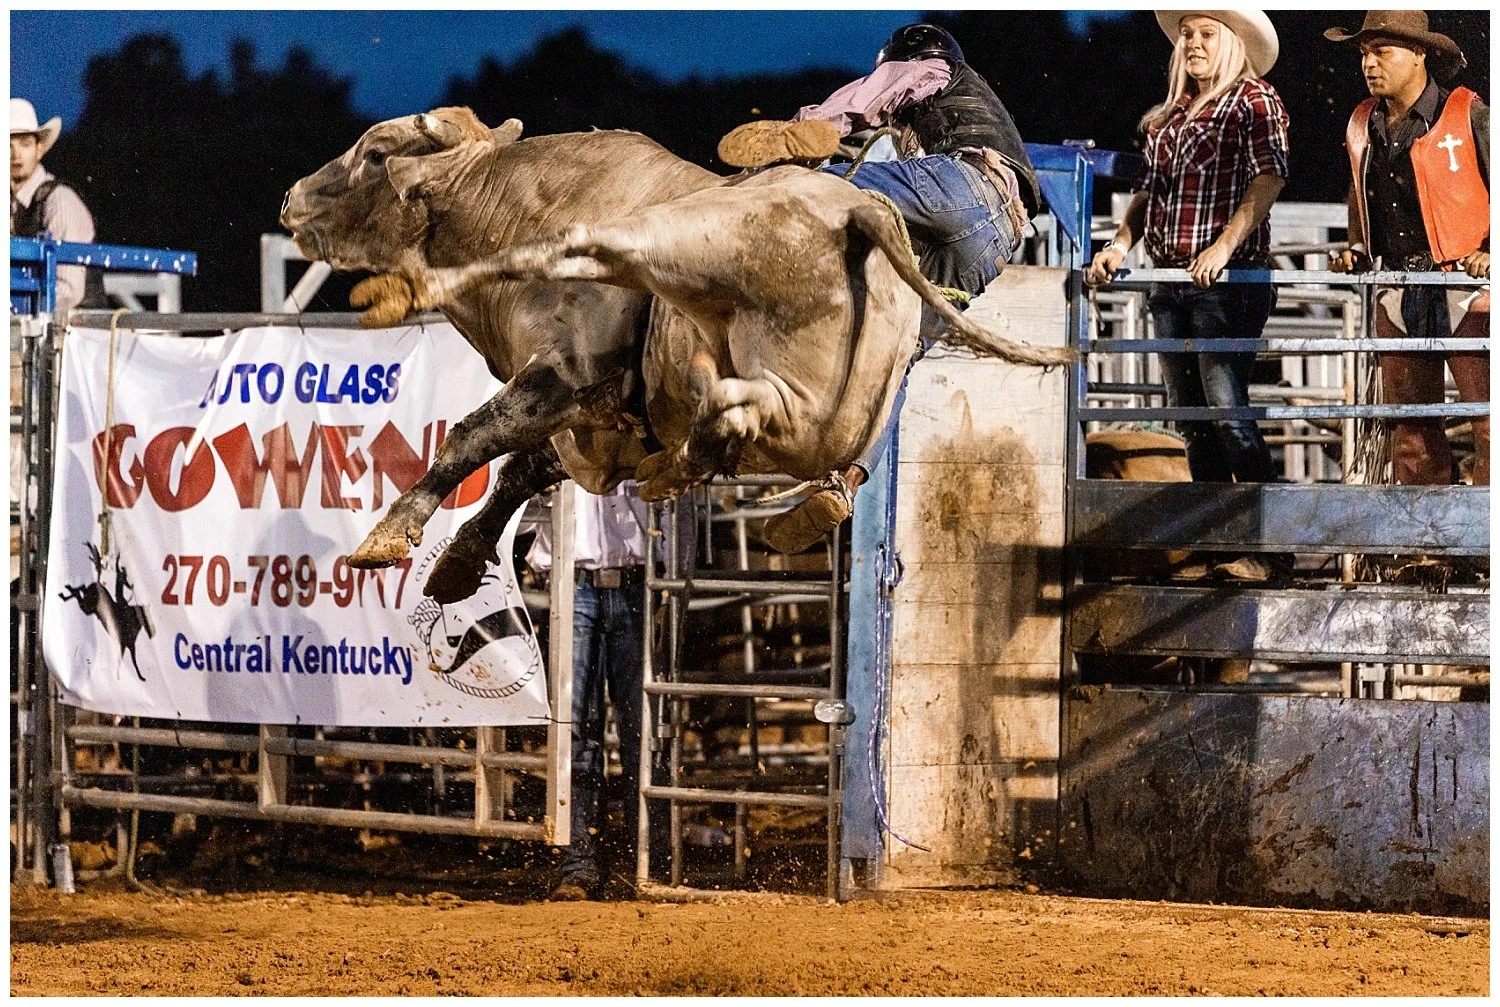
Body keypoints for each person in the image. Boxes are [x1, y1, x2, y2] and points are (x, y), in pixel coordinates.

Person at [717, 23, 1042, 554]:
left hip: (965, 190)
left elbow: (875, 92)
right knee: (898, 355)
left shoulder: (935, 69)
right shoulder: (970, 115)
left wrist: (804, 128)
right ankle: (845, 481)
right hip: (996, 241)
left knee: (818, 189)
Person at [1084, 10, 1291, 582]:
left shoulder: (1254, 101)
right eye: (1187, 35)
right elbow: (1147, 194)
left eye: (1206, 34)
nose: (1193, 43)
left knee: (1227, 412)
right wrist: (1118, 248)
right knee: (1194, 418)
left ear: (1231, 44)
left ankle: (1266, 544)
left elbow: (1268, 178)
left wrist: (1224, 248)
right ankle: (1213, 539)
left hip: (1225, 282)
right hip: (1173, 281)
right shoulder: (1166, 120)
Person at [1325, 11, 1489, 488]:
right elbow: (1359, 192)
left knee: (1490, 423)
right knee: (1411, 431)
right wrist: (1358, 244)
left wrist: (1490, 248)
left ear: (1420, 55)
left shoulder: (1470, 111)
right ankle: (1425, 553)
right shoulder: (1362, 123)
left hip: (1468, 283)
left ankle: (1483, 547)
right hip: (1399, 284)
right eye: (1364, 54)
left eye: (1382, 52)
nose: (1369, 64)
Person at [525, 481, 650, 901]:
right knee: (577, 728)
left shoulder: (646, 422)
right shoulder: (560, 428)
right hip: (573, 580)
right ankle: (580, 859)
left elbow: (678, 514)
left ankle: (647, 859)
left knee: (642, 730)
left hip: (637, 582)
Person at [10, 98, 104, 313]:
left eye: (25, 144)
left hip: (78, 333)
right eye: (7, 145)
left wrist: (14, 314)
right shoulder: (10, 205)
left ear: (39, 149)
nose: (16, 155)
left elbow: (68, 290)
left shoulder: (59, 201)